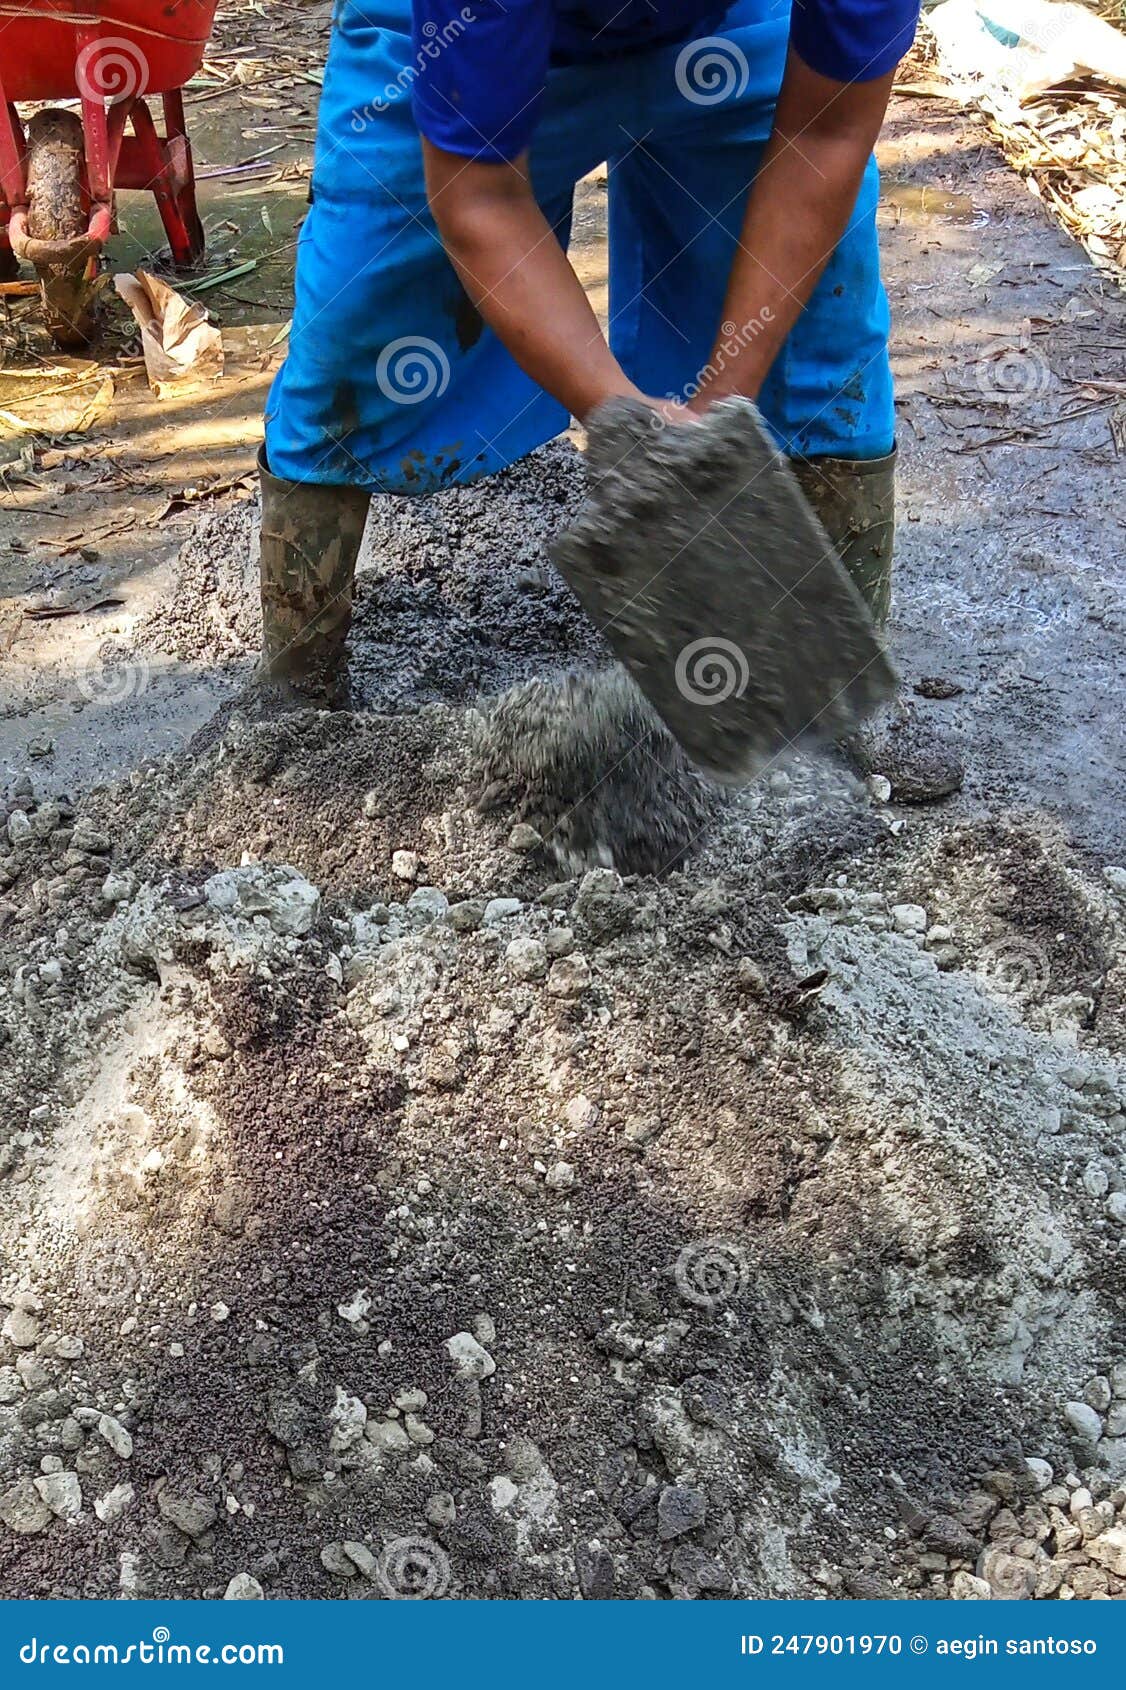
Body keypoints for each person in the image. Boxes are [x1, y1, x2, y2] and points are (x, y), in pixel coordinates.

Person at [261, 0, 964, 800]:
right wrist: (620, 418)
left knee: (825, 339)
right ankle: (296, 685)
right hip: (459, 36)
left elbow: (827, 133)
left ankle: (843, 679)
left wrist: (720, 408)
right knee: (356, 330)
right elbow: (479, 195)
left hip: (736, 33)